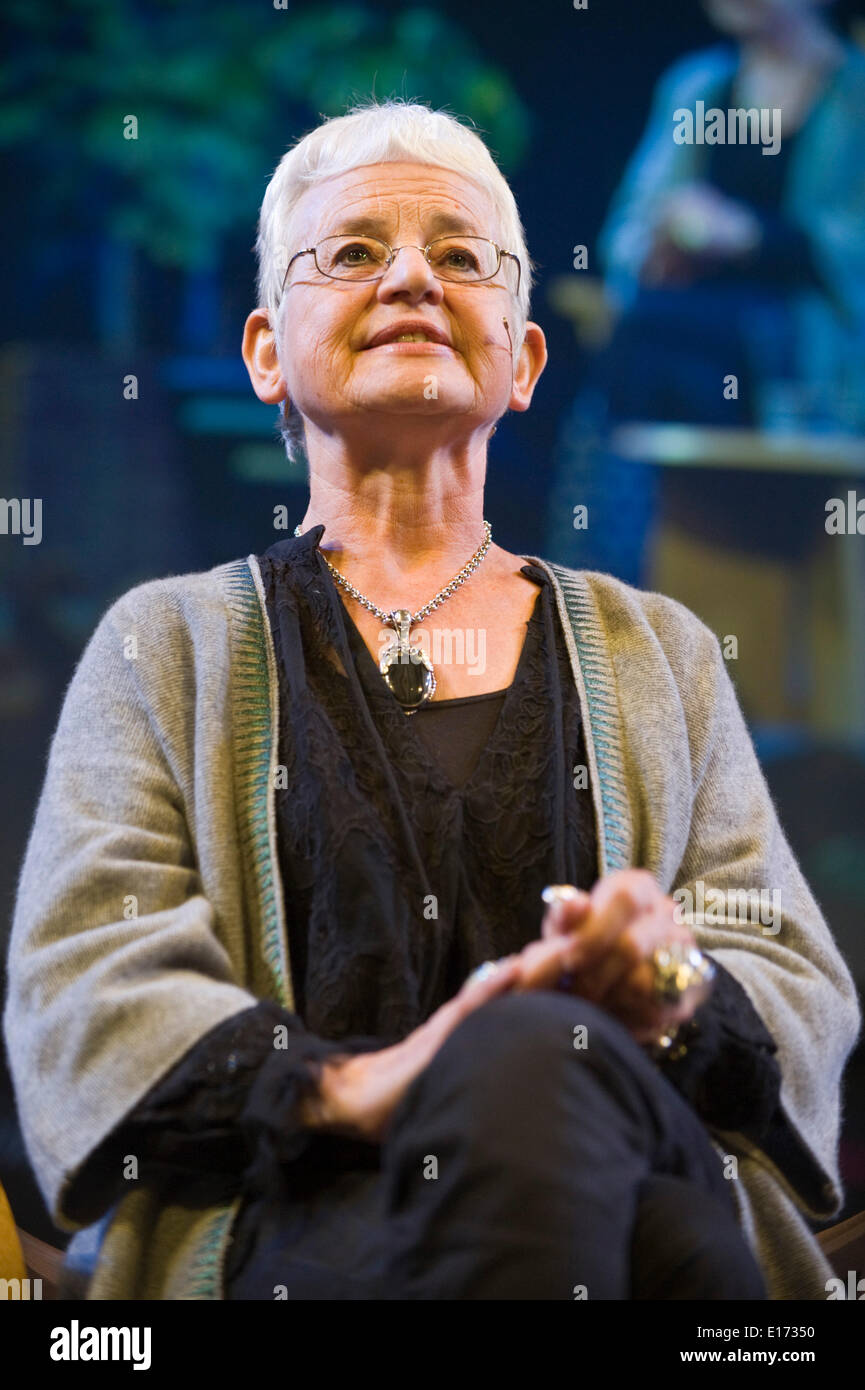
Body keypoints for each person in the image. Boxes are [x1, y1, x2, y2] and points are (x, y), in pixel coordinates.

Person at [3, 99, 859, 1301]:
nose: (411, 275)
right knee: (526, 1060)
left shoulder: (656, 648)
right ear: (263, 354)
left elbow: (795, 988)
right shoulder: (166, 644)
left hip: (639, 1202)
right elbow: (83, 995)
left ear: (523, 359)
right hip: (294, 1236)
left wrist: (661, 984)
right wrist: (389, 1079)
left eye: (460, 256)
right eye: (352, 253)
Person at [547, 0, 865, 581]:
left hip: (806, 350)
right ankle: (598, 586)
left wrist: (752, 237)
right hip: (680, 338)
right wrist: (672, 236)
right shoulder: (699, 85)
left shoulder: (852, 93)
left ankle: (589, 583)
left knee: (641, 344)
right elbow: (630, 233)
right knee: (637, 341)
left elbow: (852, 250)